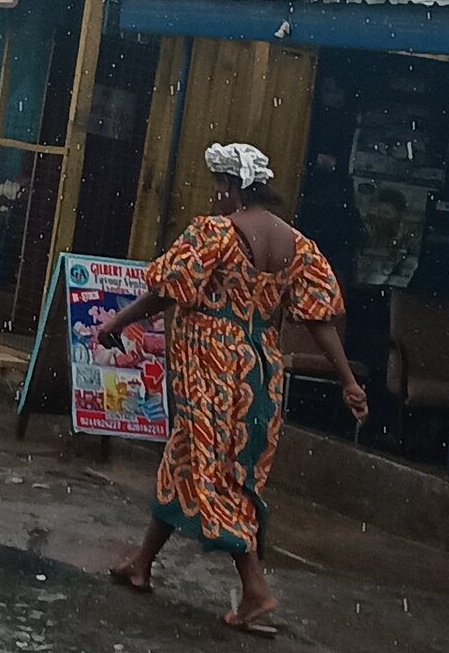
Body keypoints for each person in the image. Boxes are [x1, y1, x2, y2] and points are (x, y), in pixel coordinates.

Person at [98, 142, 368, 633]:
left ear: (233, 186)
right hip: (260, 375)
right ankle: (142, 562)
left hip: (212, 370)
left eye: (219, 186)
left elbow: (167, 289)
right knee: (195, 458)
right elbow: (318, 319)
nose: (215, 196)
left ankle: (255, 589)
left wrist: (119, 320)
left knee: (212, 472)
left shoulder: (216, 234)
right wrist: (348, 380)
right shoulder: (296, 246)